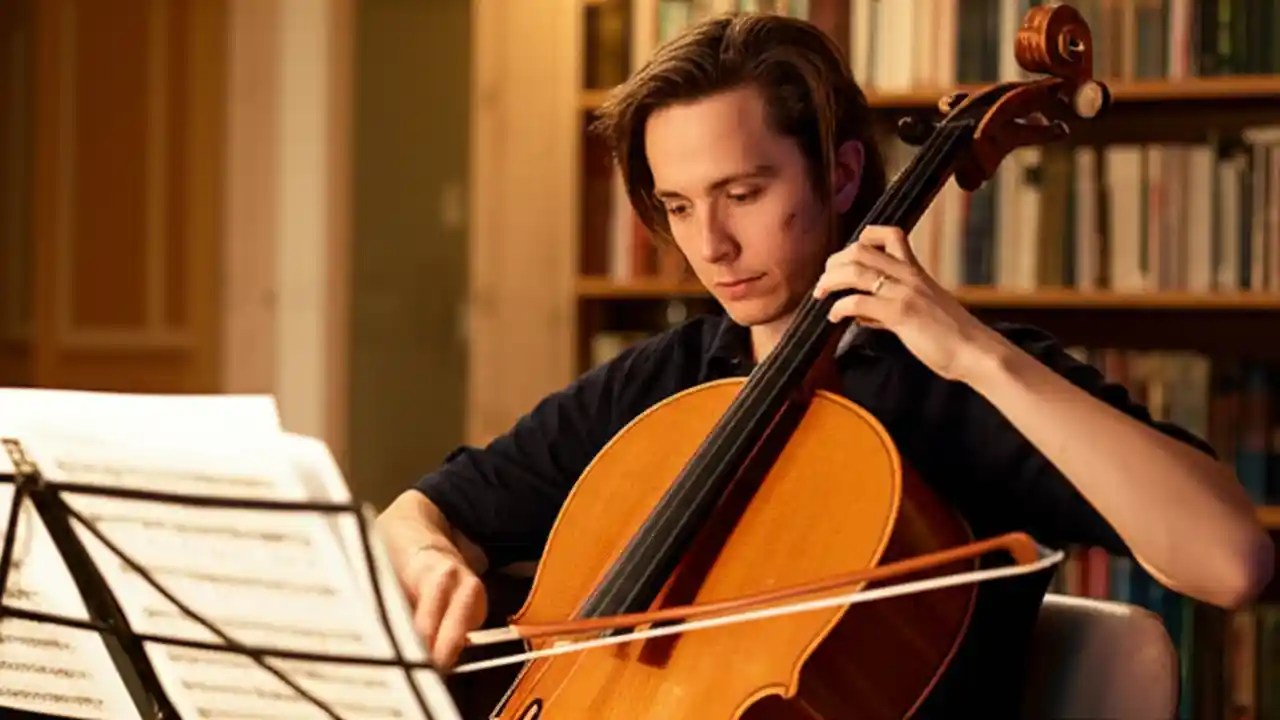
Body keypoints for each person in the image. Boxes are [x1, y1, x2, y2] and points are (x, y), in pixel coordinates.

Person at [376, 12, 1274, 717]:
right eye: (680, 206)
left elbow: (1232, 562)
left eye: (744, 193)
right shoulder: (666, 380)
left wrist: (979, 357)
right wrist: (432, 561)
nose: (711, 246)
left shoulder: (951, 383)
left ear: (843, 175)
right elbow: (422, 514)